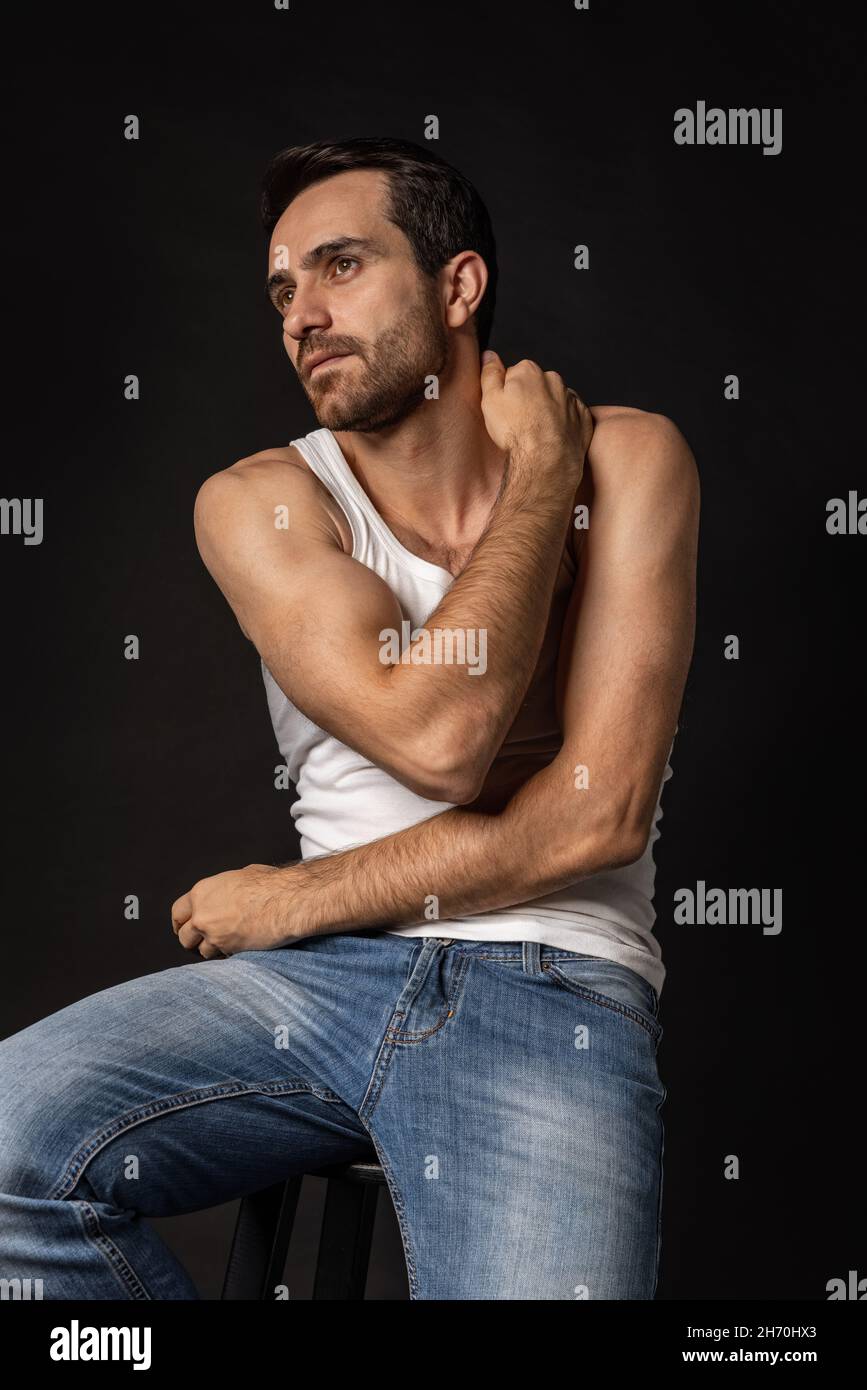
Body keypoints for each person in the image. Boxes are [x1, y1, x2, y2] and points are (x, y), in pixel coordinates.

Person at [0, 137, 698, 1300]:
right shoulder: (261, 501)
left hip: (555, 987)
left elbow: (598, 817)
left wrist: (295, 895)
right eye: (282, 289)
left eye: (339, 267)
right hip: (312, 987)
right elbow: (443, 738)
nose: (301, 315)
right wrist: (540, 483)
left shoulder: (629, 457)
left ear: (457, 285)